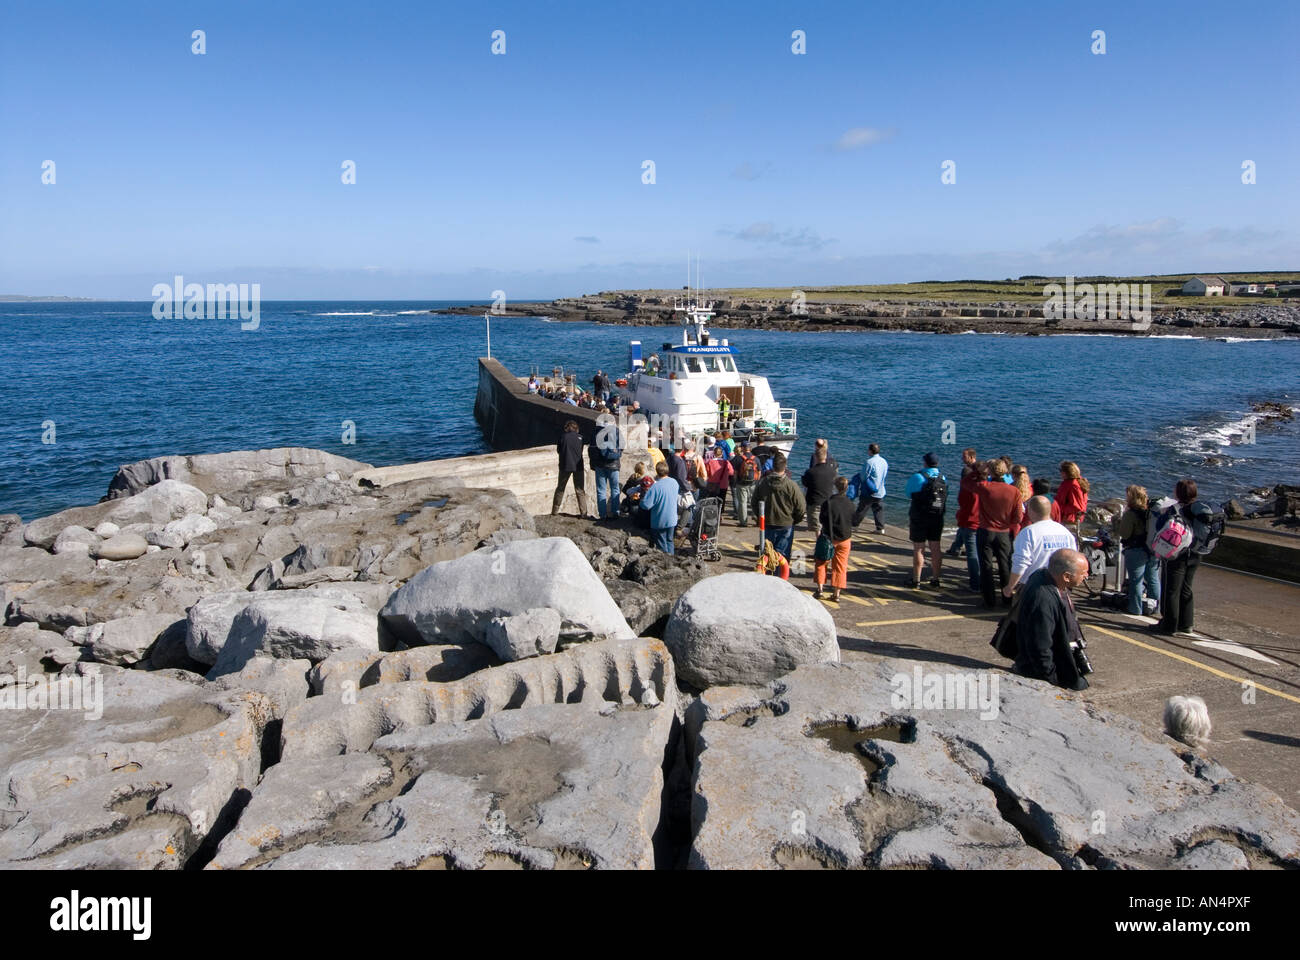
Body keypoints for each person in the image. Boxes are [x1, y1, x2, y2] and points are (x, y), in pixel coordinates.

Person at [1011, 549, 1091, 690]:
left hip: (1060, 656)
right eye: (1083, 573)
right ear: (1066, 576)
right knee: (1079, 686)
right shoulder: (1043, 599)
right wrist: (1052, 680)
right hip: (1044, 670)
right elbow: (1040, 647)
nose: (1087, 576)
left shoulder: (1042, 575)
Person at [1154, 479, 1213, 636]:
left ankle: (1169, 625)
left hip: (1177, 553)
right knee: (1186, 588)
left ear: (1178, 493)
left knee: (1171, 589)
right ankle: (1186, 624)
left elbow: (1160, 527)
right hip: (1196, 552)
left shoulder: (1175, 509)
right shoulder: (1200, 509)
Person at [1003, 496, 1078, 597]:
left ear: (1030, 511)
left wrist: (1010, 586)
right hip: (1059, 586)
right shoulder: (1065, 532)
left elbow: (1021, 563)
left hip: (1033, 586)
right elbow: (1073, 559)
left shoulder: (1028, 532)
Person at [977, 460, 1023, 607]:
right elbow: (1018, 517)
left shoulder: (985, 487)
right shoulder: (1014, 491)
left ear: (990, 471)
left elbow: (967, 483)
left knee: (986, 566)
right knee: (1005, 565)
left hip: (986, 530)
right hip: (1004, 531)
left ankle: (988, 600)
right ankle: (1007, 597)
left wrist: (980, 471)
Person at [752, 451, 805, 569]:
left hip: (768, 523)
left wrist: (761, 516)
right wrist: (794, 520)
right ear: (785, 466)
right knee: (783, 557)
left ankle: (769, 578)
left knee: (767, 554)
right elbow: (801, 507)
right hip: (785, 524)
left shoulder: (763, 483)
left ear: (773, 466)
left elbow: (754, 503)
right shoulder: (792, 486)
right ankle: (781, 580)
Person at [1115, 484, 1161, 617]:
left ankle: (1135, 608)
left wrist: (1119, 522)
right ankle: (1154, 607)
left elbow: (1125, 533)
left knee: (1136, 580)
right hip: (1152, 549)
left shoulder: (1131, 514)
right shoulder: (1150, 512)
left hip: (1136, 550)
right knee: (1153, 578)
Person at [904, 453, 947, 588]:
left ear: (925, 463)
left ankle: (916, 579)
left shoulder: (918, 477)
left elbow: (907, 493)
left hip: (919, 516)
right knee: (935, 548)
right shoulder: (942, 477)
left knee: (919, 548)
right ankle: (936, 579)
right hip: (937, 516)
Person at [815, 476, 856, 602]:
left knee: (821, 562)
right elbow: (854, 521)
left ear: (835, 487)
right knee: (840, 566)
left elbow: (822, 519)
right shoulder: (850, 504)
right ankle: (836, 593)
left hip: (828, 537)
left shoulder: (828, 503)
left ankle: (820, 589)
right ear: (846, 488)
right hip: (844, 538)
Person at [950, 449, 982, 591]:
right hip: (977, 521)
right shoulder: (982, 487)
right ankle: (955, 547)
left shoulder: (967, 490)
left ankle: (976, 583)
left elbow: (963, 504)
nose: (962, 459)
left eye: (964, 457)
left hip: (970, 521)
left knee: (972, 553)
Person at [638, 462, 680, 554]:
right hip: (672, 519)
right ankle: (672, 562)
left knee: (662, 546)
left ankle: (666, 565)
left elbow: (646, 505)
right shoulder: (674, 482)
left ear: (657, 472)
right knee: (669, 541)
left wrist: (640, 500)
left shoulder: (655, 487)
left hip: (660, 521)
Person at [588, 416, 624, 520]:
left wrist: (593, 463)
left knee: (601, 490)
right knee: (615, 489)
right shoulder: (616, 431)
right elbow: (622, 445)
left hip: (600, 465)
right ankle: (615, 512)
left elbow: (592, 449)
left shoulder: (597, 432)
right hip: (614, 465)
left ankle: (602, 515)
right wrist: (618, 452)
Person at [552, 420, 589, 517]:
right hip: (578, 466)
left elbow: (559, 450)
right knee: (580, 489)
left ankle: (555, 511)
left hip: (565, 465)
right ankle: (584, 513)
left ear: (567, 428)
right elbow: (580, 450)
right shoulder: (581, 438)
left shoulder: (563, 437)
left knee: (560, 488)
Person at [852, 443, 888, 532]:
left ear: (870, 451)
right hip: (880, 490)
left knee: (862, 508)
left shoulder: (869, 462)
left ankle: (854, 525)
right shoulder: (884, 461)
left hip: (869, 490)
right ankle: (880, 528)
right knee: (878, 509)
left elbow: (863, 477)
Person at [801, 446, 838, 533]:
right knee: (825, 525)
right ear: (826, 456)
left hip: (814, 501)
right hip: (828, 500)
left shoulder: (810, 472)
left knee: (816, 528)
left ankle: (820, 543)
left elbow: (805, 484)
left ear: (816, 457)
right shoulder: (832, 471)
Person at [1051, 461, 1090, 532]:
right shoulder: (1077, 481)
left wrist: (1057, 507)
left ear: (1066, 473)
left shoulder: (1073, 485)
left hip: (1069, 519)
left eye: (1061, 471)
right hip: (1068, 517)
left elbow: (1077, 507)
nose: (1060, 473)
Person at [730, 440, 760, 526]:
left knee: (742, 503)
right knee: (753, 501)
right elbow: (759, 472)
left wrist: (735, 482)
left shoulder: (739, 459)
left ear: (742, 448)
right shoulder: (756, 458)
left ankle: (743, 522)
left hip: (741, 483)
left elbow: (735, 473)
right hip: (753, 483)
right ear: (750, 448)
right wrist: (756, 481)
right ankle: (757, 518)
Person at [704, 445, 734, 511]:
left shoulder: (710, 462)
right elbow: (731, 472)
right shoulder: (726, 462)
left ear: (714, 453)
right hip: (723, 484)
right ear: (722, 453)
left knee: (712, 499)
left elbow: (706, 473)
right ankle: (720, 513)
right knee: (722, 499)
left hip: (712, 484)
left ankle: (712, 514)